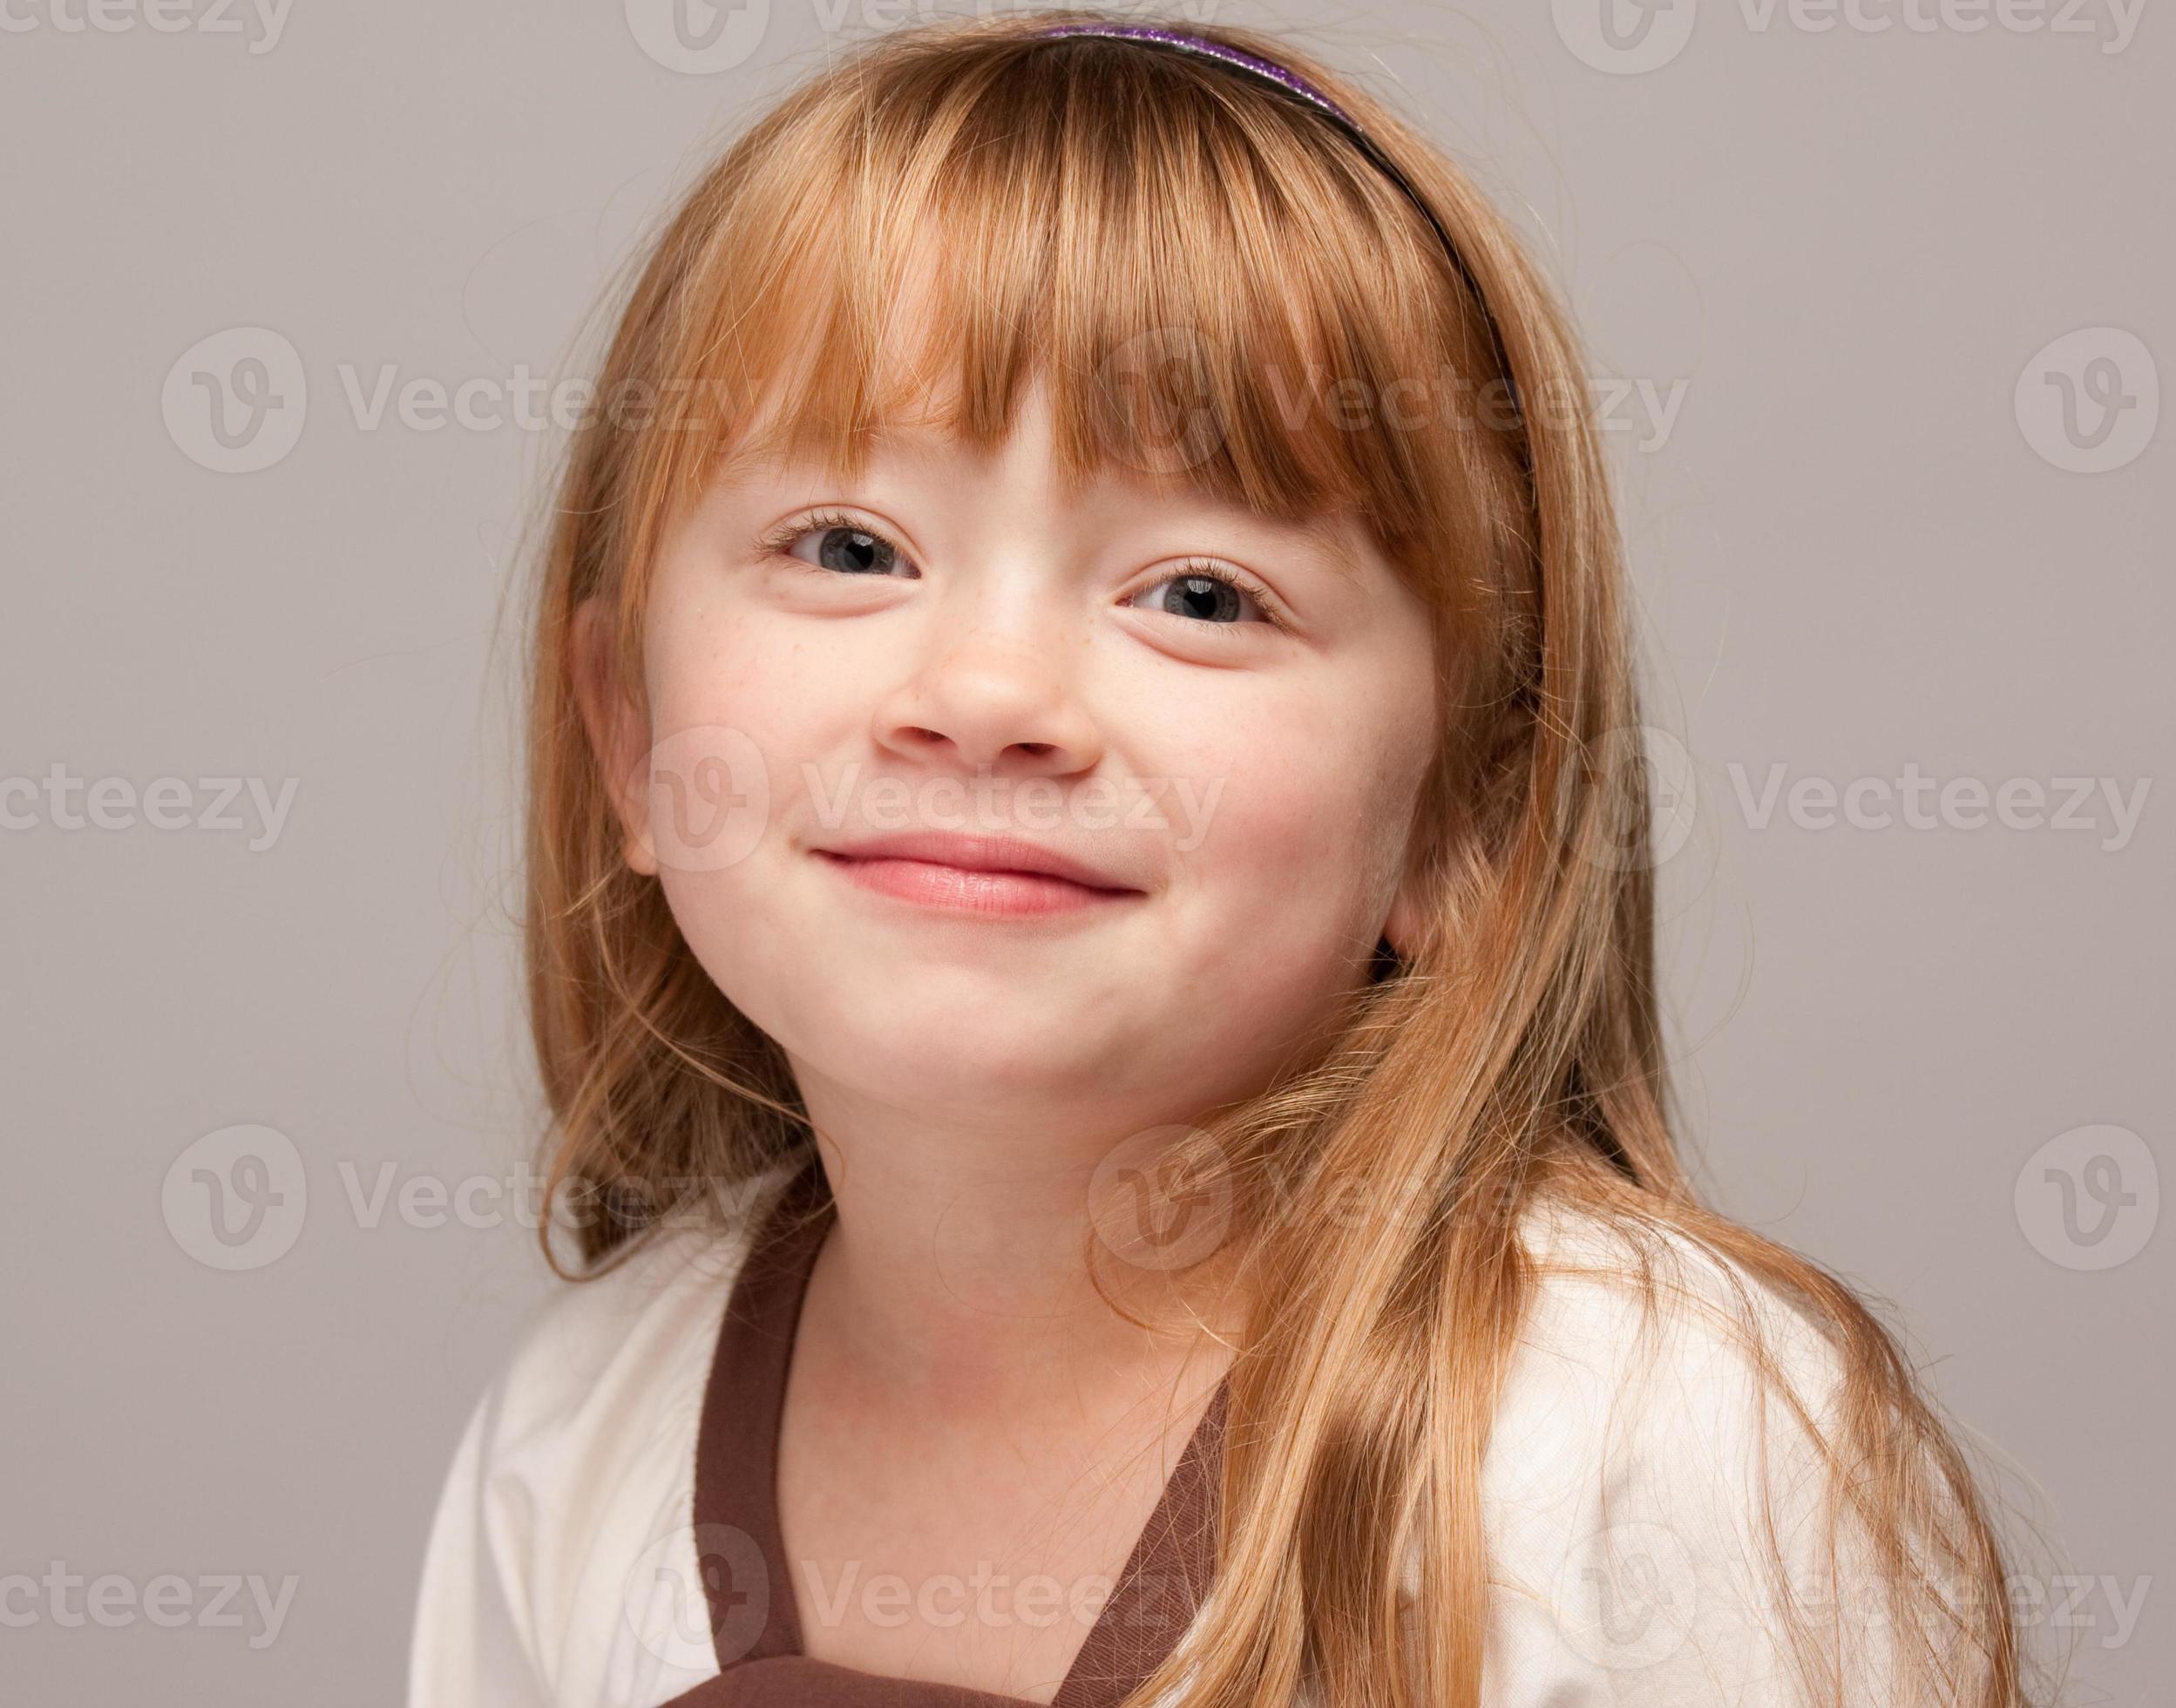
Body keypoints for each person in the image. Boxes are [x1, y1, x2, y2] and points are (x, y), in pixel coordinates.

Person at [408, 13, 2029, 1705]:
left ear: (1467, 817)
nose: (985, 696)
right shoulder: (577, 1436)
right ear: (625, 737)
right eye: (848, 545)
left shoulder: (1642, 1444)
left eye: (1198, 594)